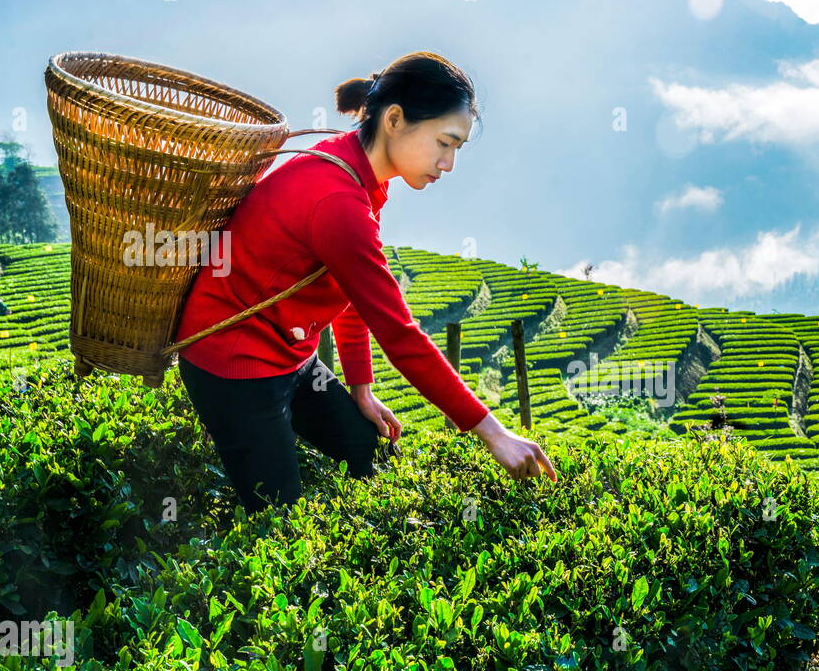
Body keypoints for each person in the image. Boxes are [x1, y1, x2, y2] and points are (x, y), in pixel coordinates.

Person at [173, 51, 557, 514]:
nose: (449, 163)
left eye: (455, 148)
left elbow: (345, 292)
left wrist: (361, 387)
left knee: (371, 452)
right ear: (395, 119)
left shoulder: (360, 174)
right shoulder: (338, 200)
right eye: (444, 142)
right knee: (279, 520)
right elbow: (400, 335)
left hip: (292, 358)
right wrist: (493, 434)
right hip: (236, 365)